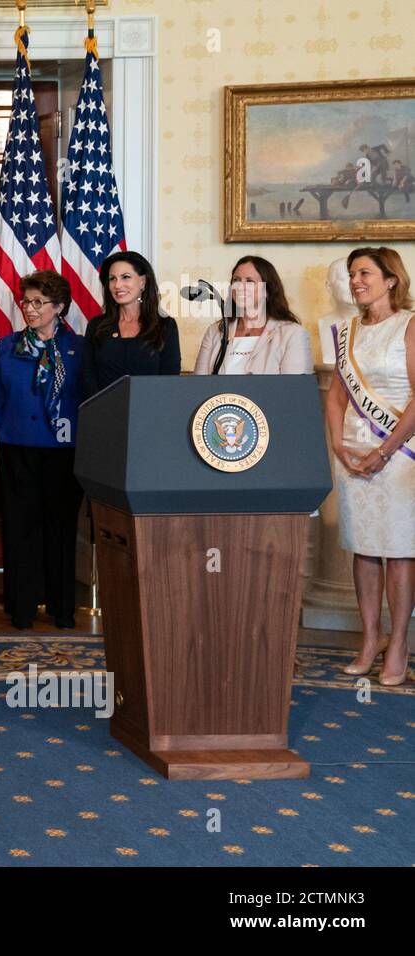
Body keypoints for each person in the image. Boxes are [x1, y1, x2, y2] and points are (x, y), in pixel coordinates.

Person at [326, 246, 415, 687]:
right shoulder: (346, 331)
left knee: (399, 550)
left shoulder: (410, 325)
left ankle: (399, 642)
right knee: (363, 547)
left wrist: (384, 451)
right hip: (354, 452)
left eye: (365, 273)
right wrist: (338, 447)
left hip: (401, 453)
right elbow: (337, 396)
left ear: (391, 279)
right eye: (352, 273)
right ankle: (371, 638)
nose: (356, 280)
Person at [0, 270, 84, 630]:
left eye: (39, 302)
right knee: (20, 529)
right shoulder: (7, 346)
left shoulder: (79, 349)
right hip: (16, 448)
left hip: (64, 450)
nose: (30, 308)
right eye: (26, 301)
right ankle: (21, 608)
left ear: (59, 307)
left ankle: (62, 608)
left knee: (60, 529)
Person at [80, 250, 180, 398]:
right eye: (112, 279)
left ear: (143, 282)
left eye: (125, 277)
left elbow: (169, 378)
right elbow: (87, 375)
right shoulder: (96, 326)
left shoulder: (165, 326)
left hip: (151, 413)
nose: (117, 285)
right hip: (103, 413)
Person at [192, 256, 312, 375]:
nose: (240, 287)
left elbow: (293, 390)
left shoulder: (292, 334)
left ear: (267, 291)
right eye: (236, 280)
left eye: (250, 281)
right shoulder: (215, 332)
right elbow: (199, 386)